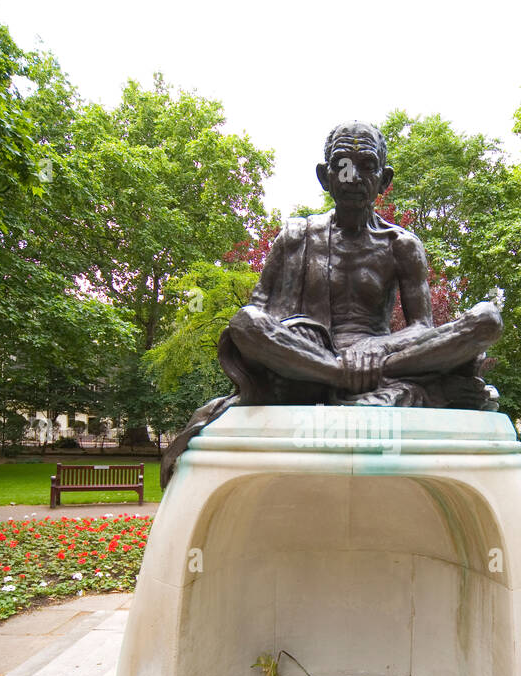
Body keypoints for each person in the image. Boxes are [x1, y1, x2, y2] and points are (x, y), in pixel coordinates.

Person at [161, 121, 502, 486]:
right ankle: (339, 378)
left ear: (384, 180)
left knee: (486, 319)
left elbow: (422, 327)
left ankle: (347, 379)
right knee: (244, 322)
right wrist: (333, 362)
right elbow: (255, 320)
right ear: (325, 176)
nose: (353, 177)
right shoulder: (295, 237)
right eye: (342, 164)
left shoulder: (402, 245)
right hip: (308, 355)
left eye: (366, 166)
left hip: (386, 360)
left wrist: (378, 345)